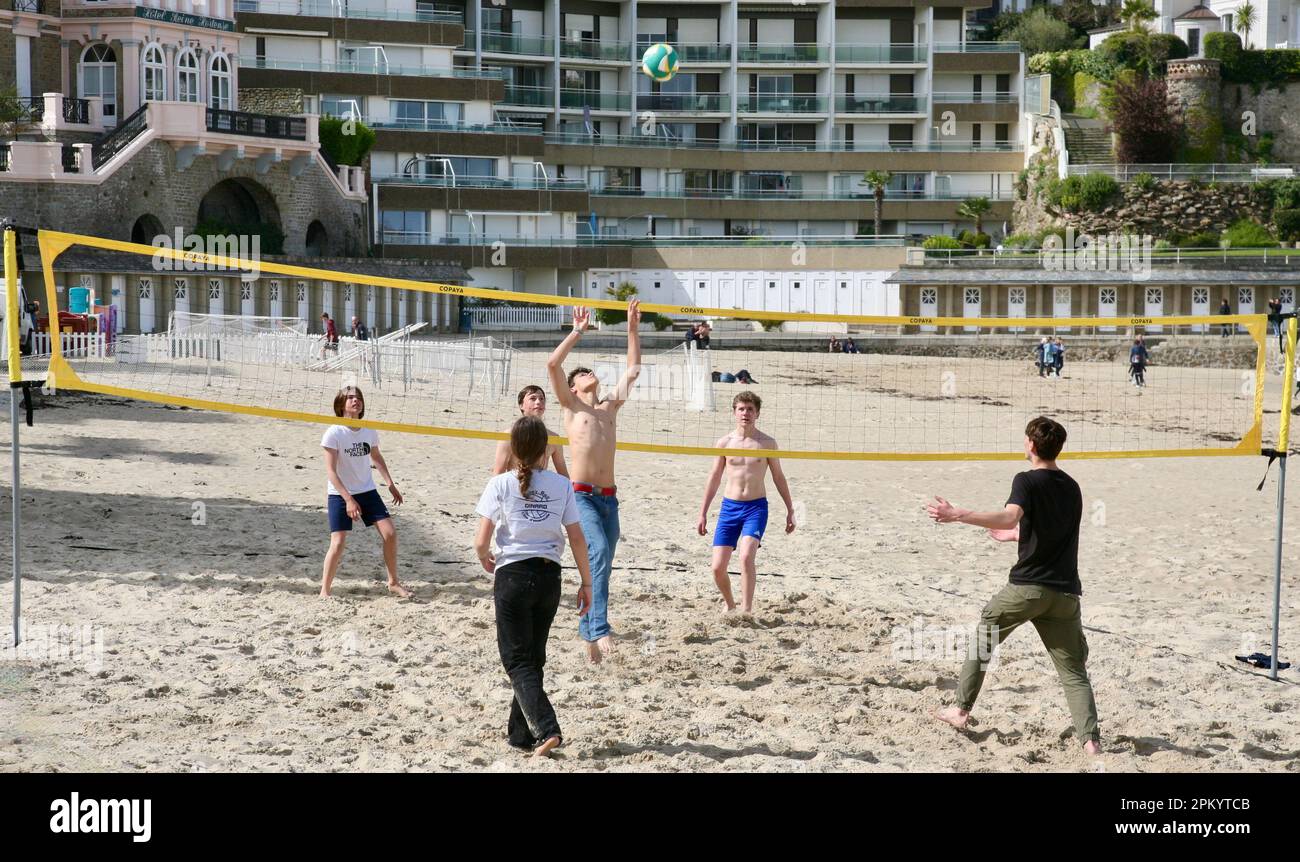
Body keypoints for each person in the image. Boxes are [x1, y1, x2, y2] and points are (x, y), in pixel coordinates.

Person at [926, 416, 1101, 757]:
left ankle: (960, 710)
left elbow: (1009, 515)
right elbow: (1054, 532)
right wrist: (1020, 536)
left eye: (1025, 440)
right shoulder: (1072, 486)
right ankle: (1091, 741)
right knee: (1073, 672)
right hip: (1065, 594)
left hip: (1028, 588)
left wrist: (959, 514)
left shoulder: (1026, 480)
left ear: (1032, 445)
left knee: (985, 634)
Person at [474, 416, 593, 757]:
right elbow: (577, 538)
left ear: (513, 449)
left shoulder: (499, 484)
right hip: (549, 577)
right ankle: (520, 735)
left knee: (517, 661)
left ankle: (547, 729)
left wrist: (484, 556)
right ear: (545, 450)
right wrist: (586, 582)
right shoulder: (561, 485)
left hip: (513, 575)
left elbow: (481, 540)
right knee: (533, 658)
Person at [546, 300, 641, 663]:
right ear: (572, 387)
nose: (588, 373)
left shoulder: (609, 407)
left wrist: (632, 327)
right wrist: (577, 332)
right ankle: (599, 629)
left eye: (589, 371)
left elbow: (632, 369)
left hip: (609, 499)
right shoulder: (571, 407)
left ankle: (588, 632)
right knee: (598, 554)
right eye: (581, 373)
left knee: (598, 565)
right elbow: (553, 364)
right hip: (581, 497)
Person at [696, 392, 795, 614]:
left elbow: (778, 476)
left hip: (755, 507)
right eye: (741, 409)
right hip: (729, 507)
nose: (745, 413)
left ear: (757, 413)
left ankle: (747, 611)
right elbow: (714, 478)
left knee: (746, 556)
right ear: (734, 412)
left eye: (750, 409)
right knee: (717, 567)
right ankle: (730, 604)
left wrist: (790, 509)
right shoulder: (724, 442)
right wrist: (702, 513)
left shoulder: (767, 442)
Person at [319, 386, 409, 598]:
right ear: (341, 404)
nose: (355, 400)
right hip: (340, 493)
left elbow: (376, 457)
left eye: (358, 397)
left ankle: (393, 582)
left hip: (367, 491)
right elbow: (331, 472)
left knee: (390, 533)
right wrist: (348, 500)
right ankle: (325, 590)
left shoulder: (368, 430)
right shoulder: (334, 432)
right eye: (350, 398)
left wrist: (390, 483)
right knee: (338, 543)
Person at [492, 385, 569, 478]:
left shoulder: (554, 438)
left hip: (540, 490)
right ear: (521, 405)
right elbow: (498, 474)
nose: (538, 402)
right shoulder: (509, 435)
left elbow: (564, 476)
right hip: (516, 487)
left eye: (541, 399)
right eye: (533, 398)